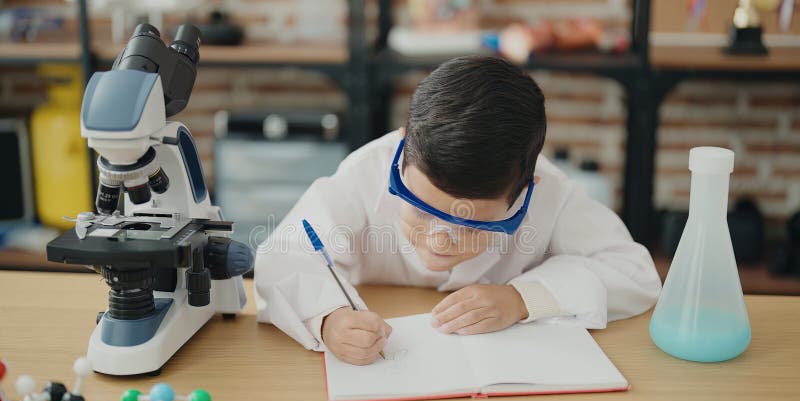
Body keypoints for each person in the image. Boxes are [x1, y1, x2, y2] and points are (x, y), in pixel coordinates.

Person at [254, 55, 661, 365]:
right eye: (420, 208)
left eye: (472, 222)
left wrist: (522, 299)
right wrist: (327, 318)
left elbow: (634, 273)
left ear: (525, 191)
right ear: (402, 151)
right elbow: (285, 257)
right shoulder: (367, 171)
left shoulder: (551, 192)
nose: (439, 239)